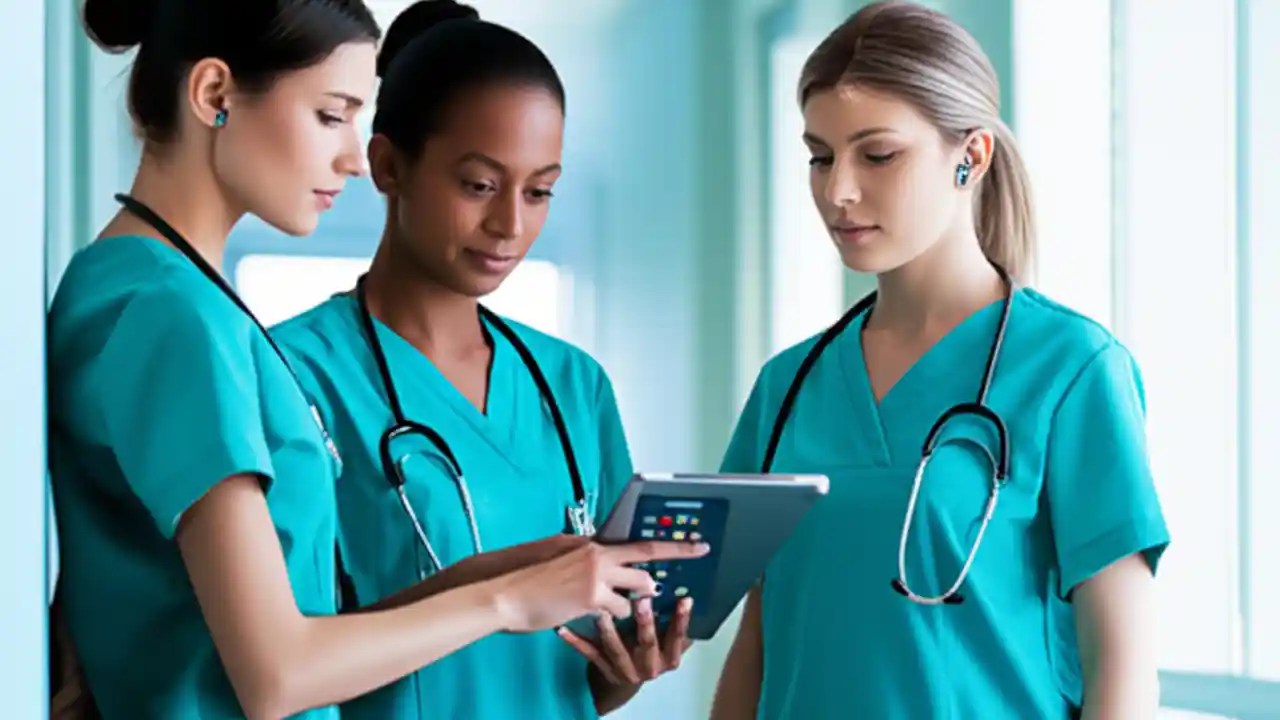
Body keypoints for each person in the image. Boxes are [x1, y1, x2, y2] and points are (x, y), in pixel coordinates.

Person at [47, 1, 704, 718]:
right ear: (213, 94)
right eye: (331, 115)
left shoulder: (141, 290)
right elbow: (276, 675)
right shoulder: (172, 314)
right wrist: (508, 598)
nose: (354, 159)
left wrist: (492, 577)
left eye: (541, 191)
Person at [709, 2, 1170, 718]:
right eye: (821, 156)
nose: (838, 191)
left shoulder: (1071, 369)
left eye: (877, 155)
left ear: (971, 156)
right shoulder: (788, 387)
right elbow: (757, 646)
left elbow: (1123, 669)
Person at [270, 2, 696, 718]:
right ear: (388, 166)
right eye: (479, 185)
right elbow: (277, 660)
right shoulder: (292, 374)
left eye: (539, 192)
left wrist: (632, 665)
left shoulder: (572, 386)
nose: (510, 225)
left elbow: (580, 679)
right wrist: (495, 594)